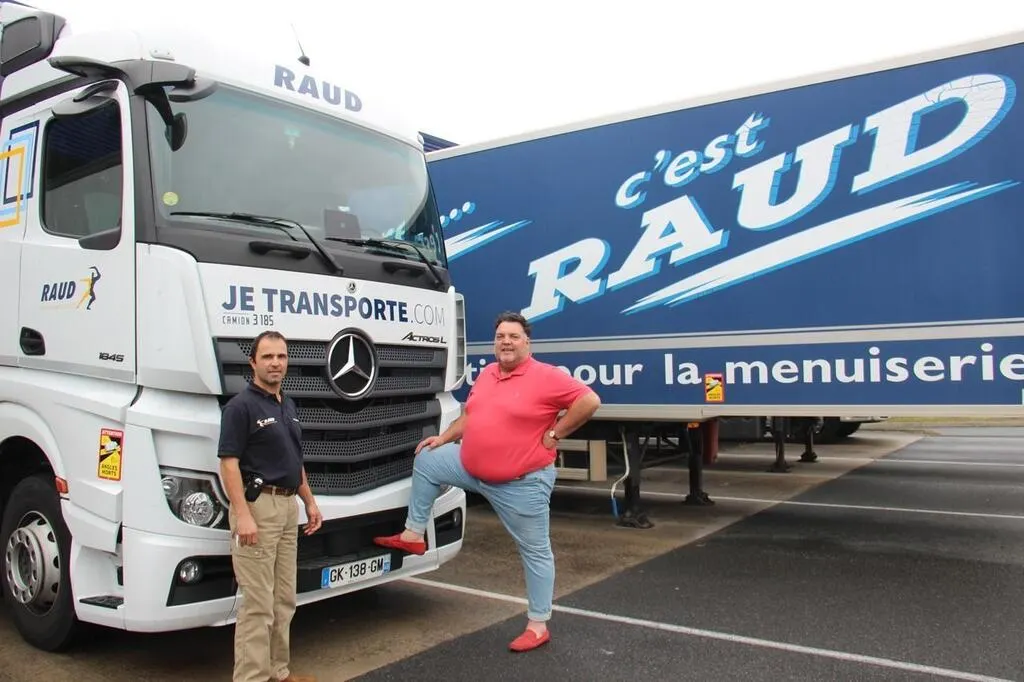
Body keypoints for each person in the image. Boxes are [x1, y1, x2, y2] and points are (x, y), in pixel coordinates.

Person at [373, 311, 601, 652]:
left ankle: (538, 625)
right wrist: (445, 438)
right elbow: (470, 415)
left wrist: (555, 433)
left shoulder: (546, 377)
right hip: (471, 468)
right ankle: (413, 534)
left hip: (520, 483)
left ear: (527, 342)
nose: (505, 342)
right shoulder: (489, 373)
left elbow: (590, 400)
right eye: (500, 337)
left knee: (536, 552)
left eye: (512, 336)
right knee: (428, 459)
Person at [218, 330, 323, 682]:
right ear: (253, 363)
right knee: (258, 605)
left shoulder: (287, 405)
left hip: (287, 507)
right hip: (257, 510)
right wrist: (243, 515)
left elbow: (294, 459)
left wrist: (308, 501)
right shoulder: (240, 407)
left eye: (280, 356)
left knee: (284, 600)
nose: (275, 363)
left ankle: (278, 671)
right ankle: (252, 677)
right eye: (267, 357)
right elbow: (229, 464)